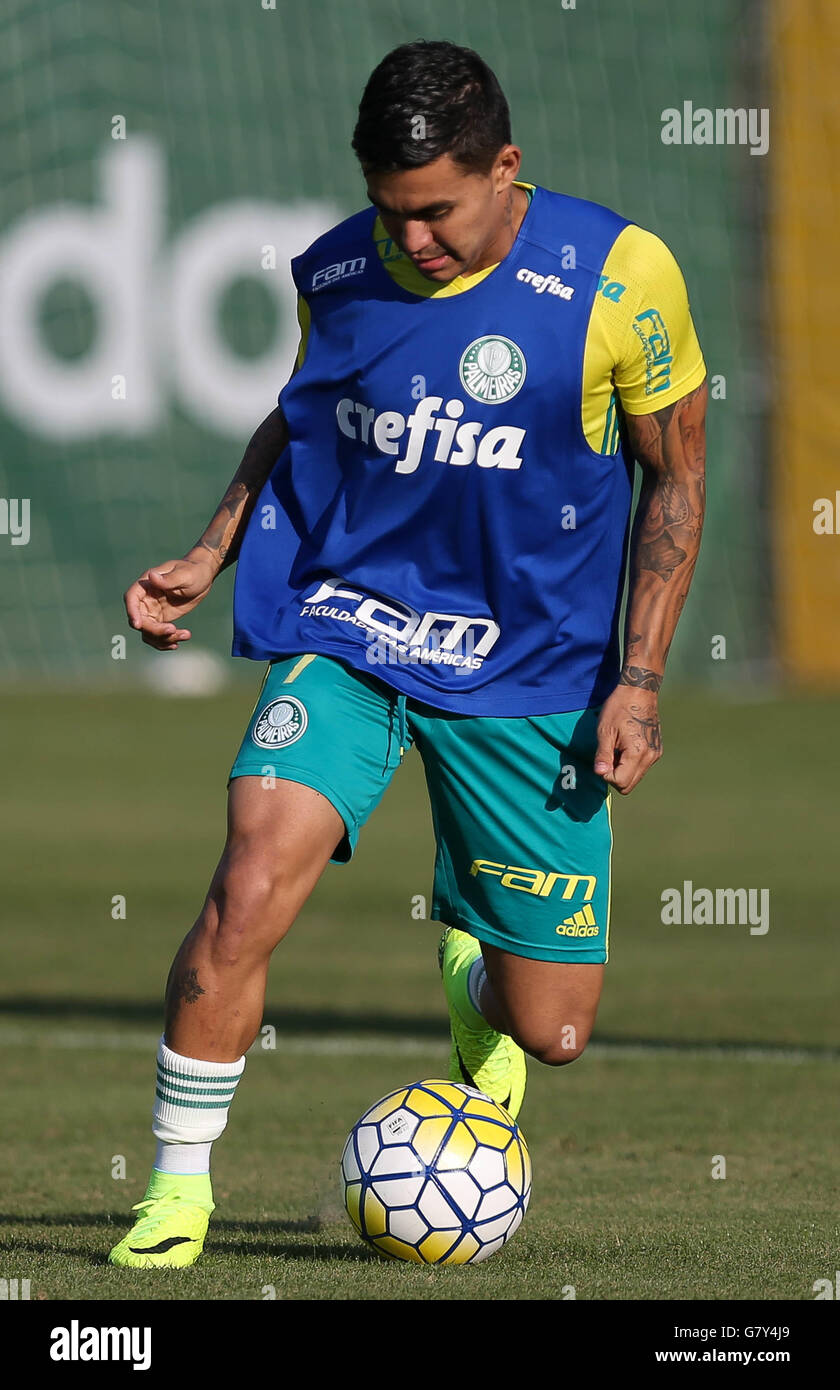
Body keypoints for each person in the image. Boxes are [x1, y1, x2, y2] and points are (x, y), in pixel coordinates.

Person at [110, 39, 706, 1268]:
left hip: (534, 669)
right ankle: (174, 1191)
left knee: (553, 1032)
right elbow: (301, 409)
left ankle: (473, 982)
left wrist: (638, 682)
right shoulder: (338, 268)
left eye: (436, 212)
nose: (412, 240)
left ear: (505, 166)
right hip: (358, 627)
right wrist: (212, 547)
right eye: (392, 211)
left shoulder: (622, 278)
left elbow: (676, 482)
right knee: (248, 876)